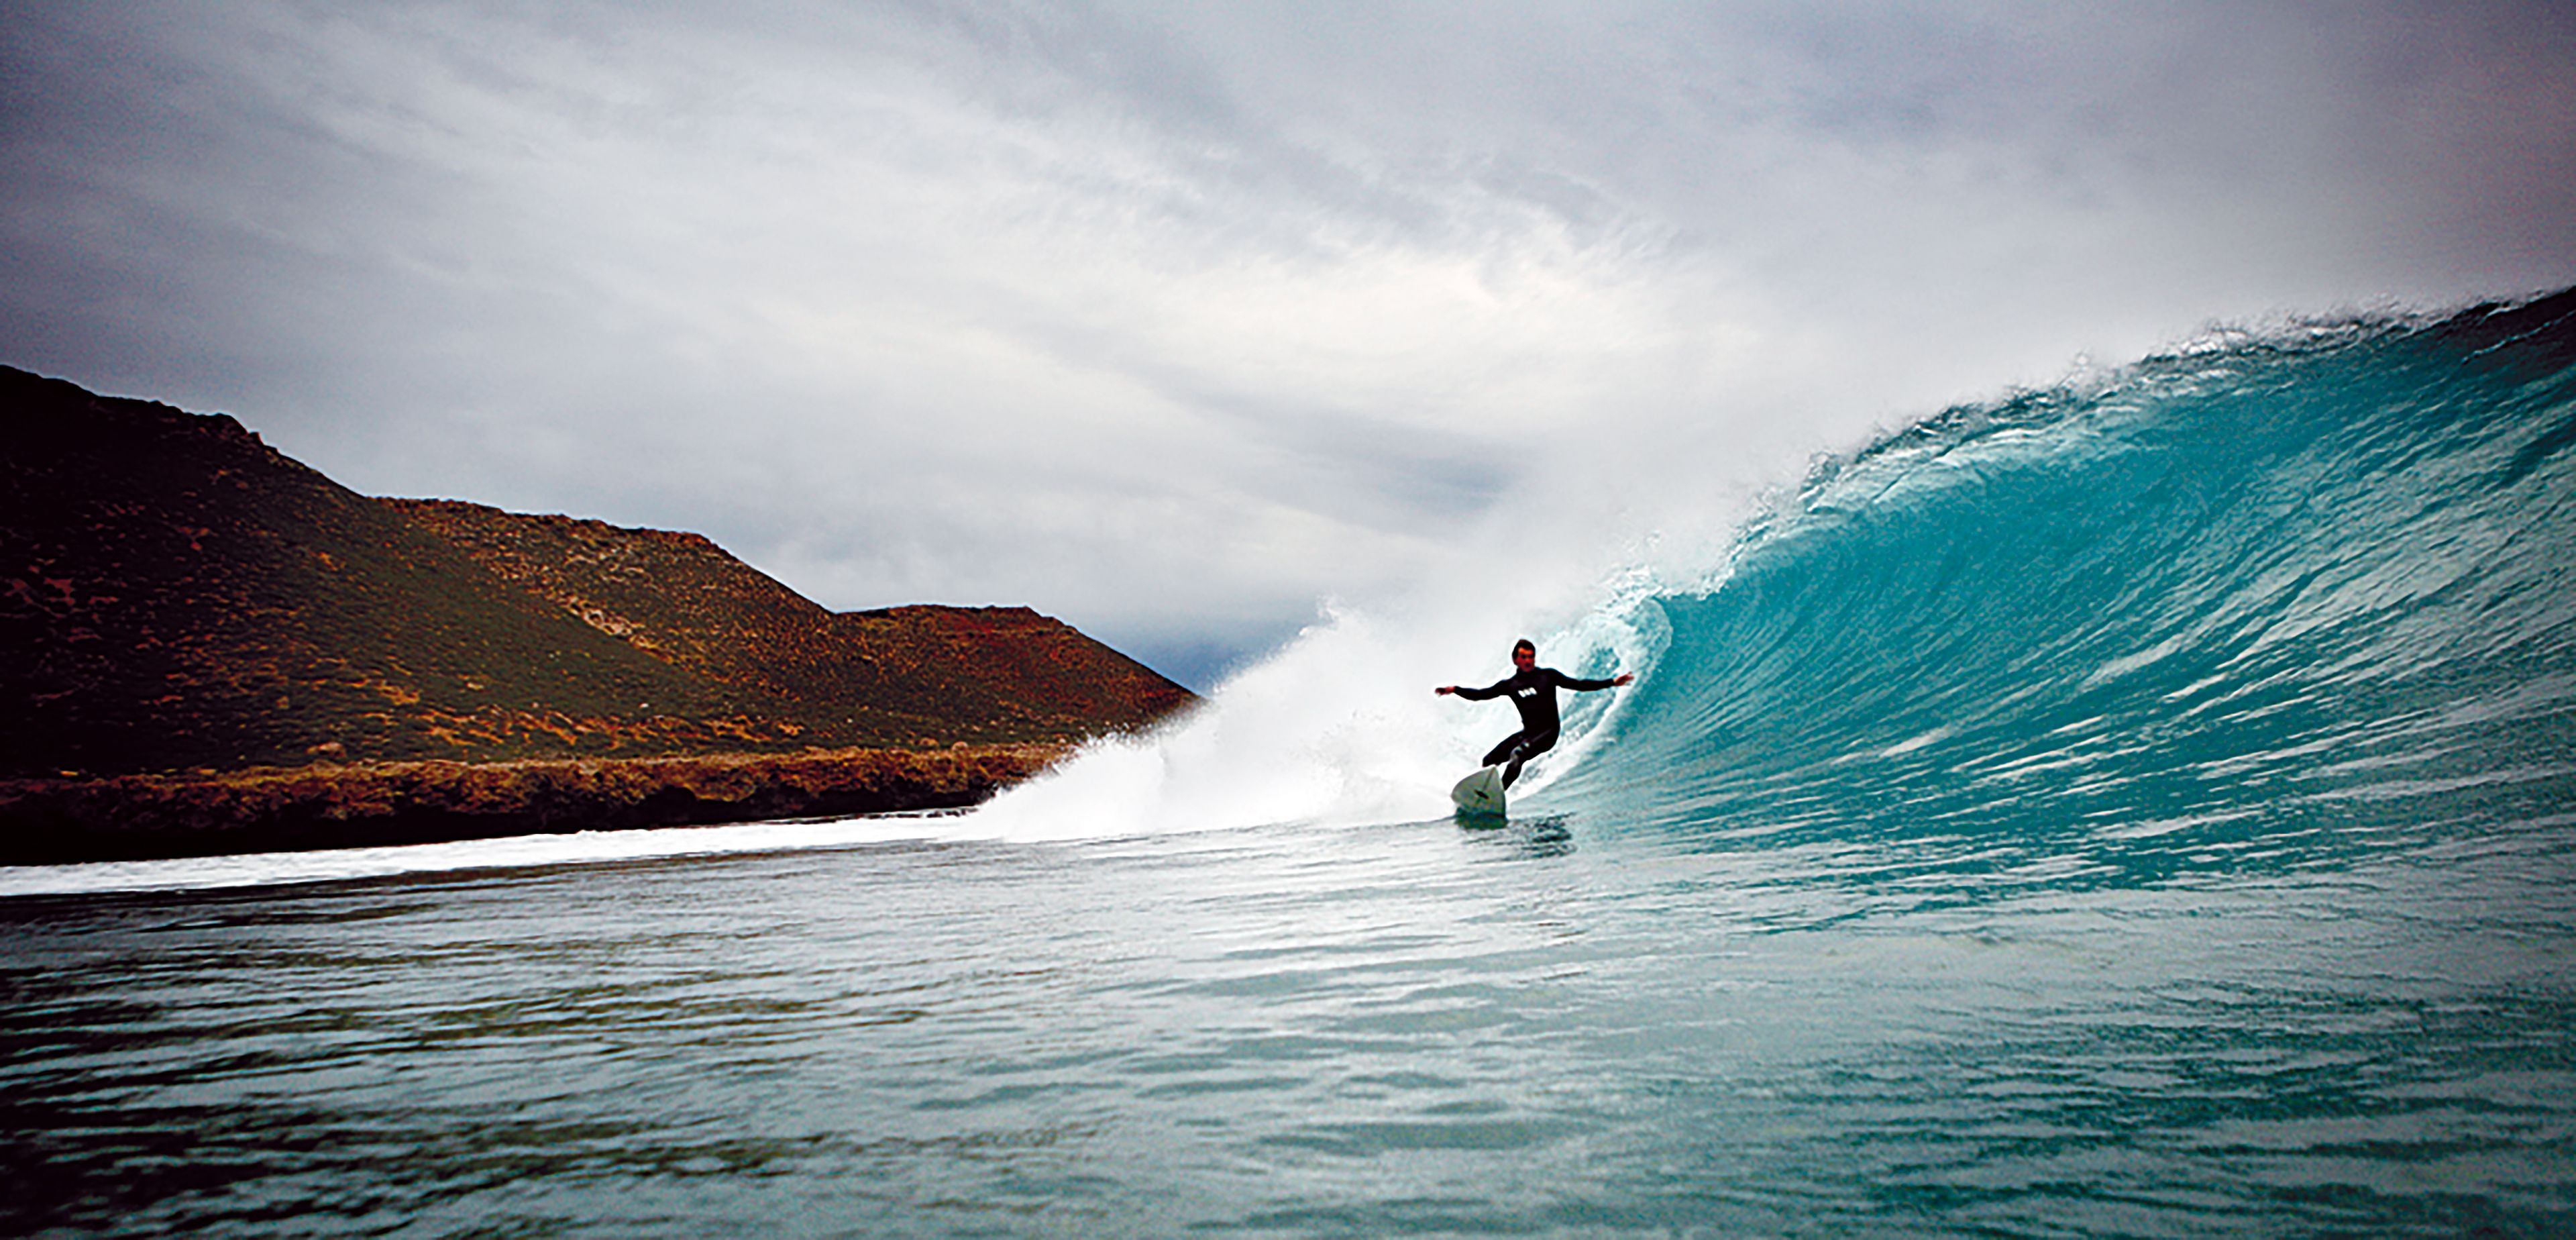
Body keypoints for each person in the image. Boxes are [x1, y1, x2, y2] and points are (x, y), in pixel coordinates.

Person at [1436, 638, 1633, 788]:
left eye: (1531, 656)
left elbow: (1579, 684)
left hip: (1548, 733)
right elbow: (1481, 695)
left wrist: (1611, 682)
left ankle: (1498, 794)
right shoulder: (1510, 685)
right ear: (1515, 660)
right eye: (1524, 657)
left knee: (1518, 754)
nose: (1528, 661)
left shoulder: (1548, 676)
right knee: (1489, 761)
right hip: (1529, 733)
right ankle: (1482, 791)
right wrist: (1455, 689)